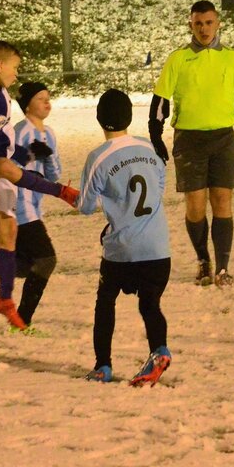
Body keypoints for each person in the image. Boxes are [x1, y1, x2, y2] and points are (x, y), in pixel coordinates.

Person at [0, 41, 79, 330]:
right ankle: (62, 192)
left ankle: (4, 300)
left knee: (9, 233)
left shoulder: (2, 95)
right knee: (44, 259)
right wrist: (6, 157)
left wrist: (28, 154)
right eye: (15, 67)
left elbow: (9, 149)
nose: (16, 74)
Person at [149, 0, 234, 287]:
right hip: (189, 141)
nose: (204, 28)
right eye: (198, 23)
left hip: (224, 139)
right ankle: (203, 259)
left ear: (218, 23)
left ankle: (223, 268)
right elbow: (160, 101)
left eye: (209, 22)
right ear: (191, 24)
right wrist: (155, 133)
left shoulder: (233, 59)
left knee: (223, 201)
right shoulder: (177, 59)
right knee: (196, 206)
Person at [77, 89, 173, 386]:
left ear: (99, 119)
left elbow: (85, 206)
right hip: (159, 249)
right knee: (150, 305)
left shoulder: (98, 157)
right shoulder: (149, 148)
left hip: (123, 250)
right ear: (130, 118)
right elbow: (159, 187)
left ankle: (103, 366)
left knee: (105, 302)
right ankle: (159, 350)